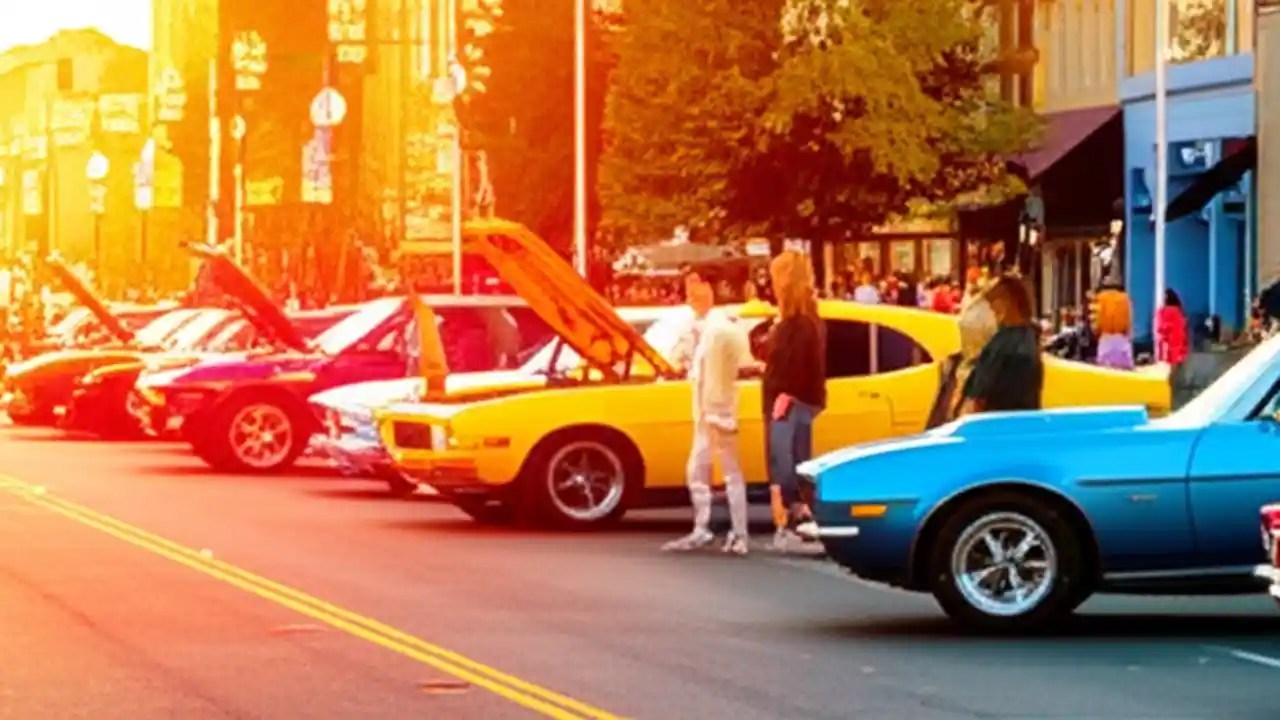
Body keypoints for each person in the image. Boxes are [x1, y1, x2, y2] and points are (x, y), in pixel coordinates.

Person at [663, 268, 751, 555]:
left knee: (729, 472)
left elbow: (730, 370)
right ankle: (706, 529)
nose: (688, 293)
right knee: (699, 470)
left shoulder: (722, 329)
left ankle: (738, 534)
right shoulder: (702, 329)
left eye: (693, 285)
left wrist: (720, 411)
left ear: (710, 287)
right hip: (705, 413)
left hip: (718, 411)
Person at [762, 251, 826, 549]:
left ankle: (788, 524)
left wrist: (781, 398)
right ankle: (799, 522)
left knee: (782, 465)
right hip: (799, 400)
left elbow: (792, 367)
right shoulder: (808, 319)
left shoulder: (796, 324)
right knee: (797, 462)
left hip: (786, 401)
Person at [960, 274, 1044, 413]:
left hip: (994, 424)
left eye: (993, 301)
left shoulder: (1005, 345)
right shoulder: (1027, 339)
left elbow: (979, 397)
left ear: (1007, 301)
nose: (992, 308)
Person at [1094, 282, 1134, 370]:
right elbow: (1129, 320)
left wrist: (1097, 331)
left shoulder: (1101, 298)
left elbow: (1098, 319)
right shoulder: (1125, 299)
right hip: (1121, 339)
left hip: (1106, 338)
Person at [1156, 288, 1189, 366]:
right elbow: (1184, 330)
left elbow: (1160, 329)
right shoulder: (1180, 312)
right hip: (1179, 349)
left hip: (1167, 347)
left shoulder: (1162, 311)